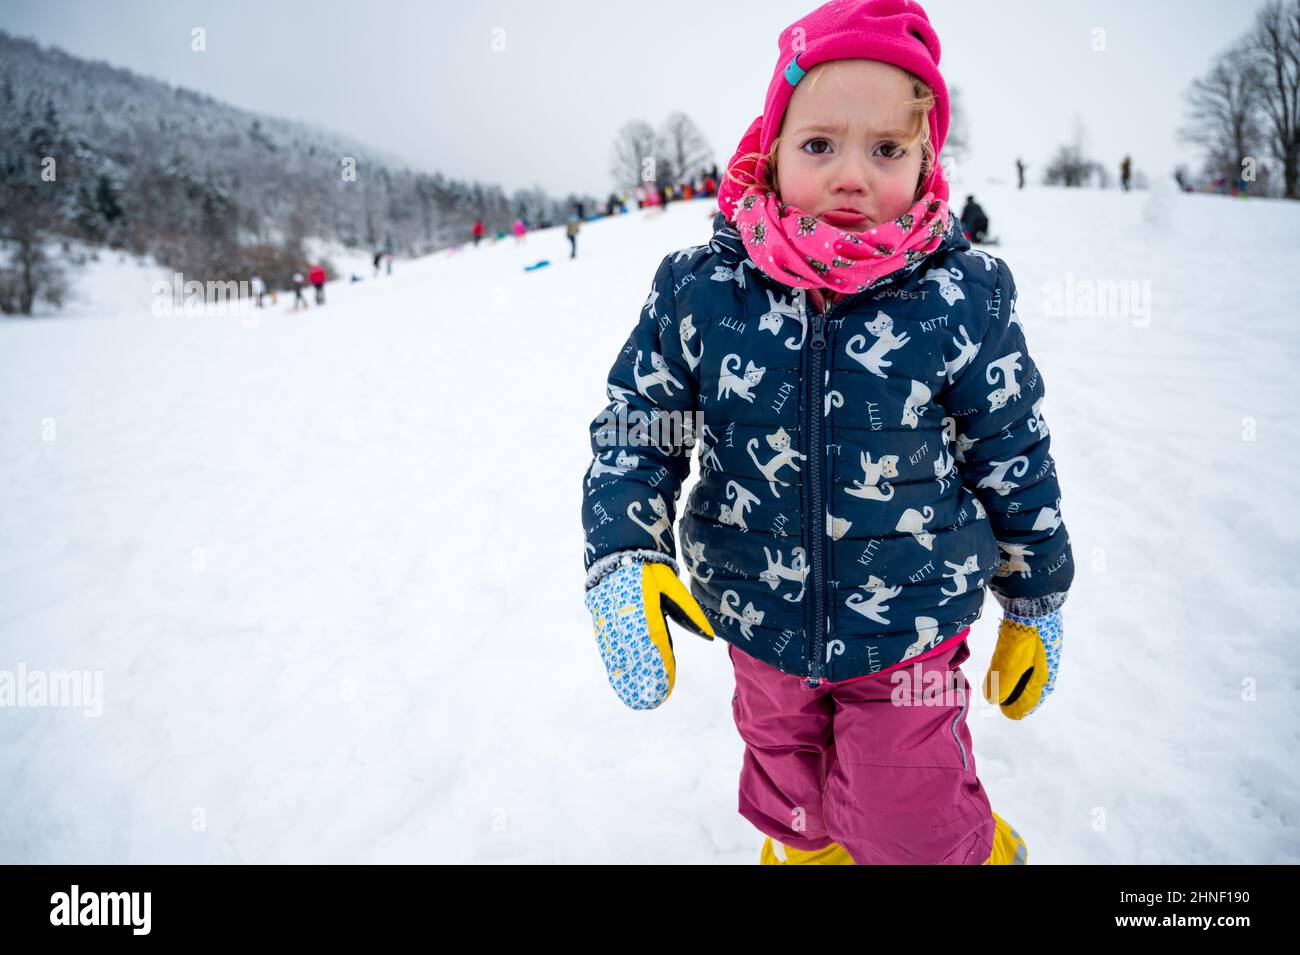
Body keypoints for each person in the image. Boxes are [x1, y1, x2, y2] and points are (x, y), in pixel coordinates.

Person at [579, 0, 1073, 867]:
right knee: (790, 800)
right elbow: (639, 426)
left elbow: (1012, 449)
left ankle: (961, 848)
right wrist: (625, 552)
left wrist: (1035, 595)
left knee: (908, 811)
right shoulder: (704, 288)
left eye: (886, 149)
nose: (852, 175)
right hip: (755, 616)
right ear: (770, 154)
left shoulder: (960, 296)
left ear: (927, 158)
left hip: (910, 627)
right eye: (819, 145)